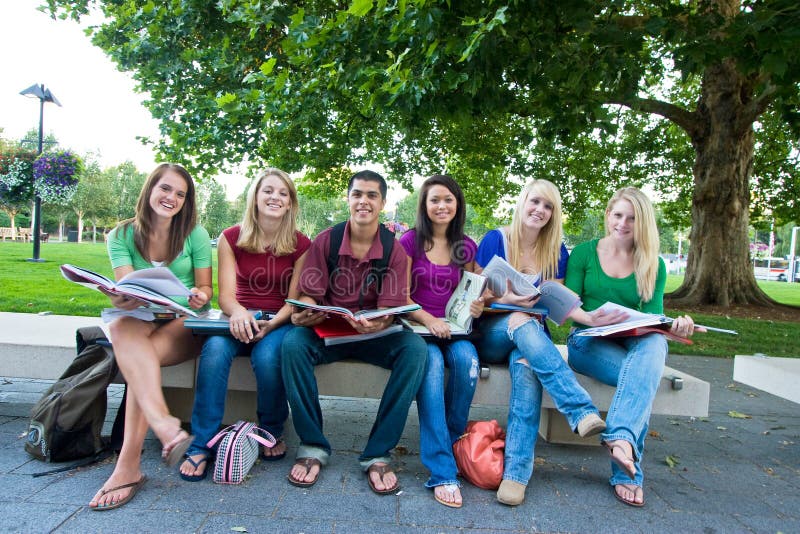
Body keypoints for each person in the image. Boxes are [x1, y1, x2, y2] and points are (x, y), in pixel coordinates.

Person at [475, 179, 620, 506]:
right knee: (519, 319)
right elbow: (478, 296)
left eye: (548, 206)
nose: (540, 210)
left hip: (532, 337)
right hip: (492, 332)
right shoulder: (496, 239)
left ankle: (515, 476)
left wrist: (588, 318)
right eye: (535, 202)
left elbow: (556, 301)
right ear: (523, 202)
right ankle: (579, 409)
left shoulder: (556, 251)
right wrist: (508, 298)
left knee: (527, 365)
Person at [281, 170, 427, 494]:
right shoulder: (327, 240)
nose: (364, 201)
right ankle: (312, 446)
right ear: (348, 199)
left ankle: (377, 453)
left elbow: (390, 307)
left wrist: (381, 322)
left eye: (372, 195)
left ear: (382, 203)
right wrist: (305, 312)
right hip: (328, 330)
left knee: (416, 350)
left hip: (374, 334)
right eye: (357, 194)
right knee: (292, 344)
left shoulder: (394, 251)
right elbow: (309, 293)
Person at [565, 186, 700, 507]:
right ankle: (627, 471)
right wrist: (590, 318)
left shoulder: (653, 264)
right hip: (586, 342)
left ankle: (622, 441)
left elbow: (652, 320)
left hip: (630, 344)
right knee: (643, 378)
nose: (622, 223)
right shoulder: (583, 254)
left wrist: (675, 327)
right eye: (618, 215)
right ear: (608, 215)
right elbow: (567, 307)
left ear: (643, 222)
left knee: (655, 342)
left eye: (632, 218)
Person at [90, 163, 212, 510]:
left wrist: (200, 295)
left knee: (139, 362)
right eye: (165, 189)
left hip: (182, 321)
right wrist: (119, 298)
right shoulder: (121, 235)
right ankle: (163, 424)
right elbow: (127, 287)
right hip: (140, 317)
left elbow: (206, 288)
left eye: (180, 194)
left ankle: (128, 465)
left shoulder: (195, 234)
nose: (171, 198)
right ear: (150, 190)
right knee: (121, 327)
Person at [179, 169, 311, 481]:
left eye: (283, 193)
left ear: (290, 203)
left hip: (279, 319)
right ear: (255, 197)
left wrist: (271, 324)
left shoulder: (302, 244)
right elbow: (225, 296)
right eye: (268, 191)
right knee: (214, 351)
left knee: (267, 357)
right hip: (237, 316)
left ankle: (271, 430)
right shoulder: (231, 237)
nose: (275, 197)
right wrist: (240, 314)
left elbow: (294, 301)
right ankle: (201, 442)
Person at [399, 175, 482, 508]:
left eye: (448, 199)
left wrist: (480, 304)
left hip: (455, 331)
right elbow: (400, 296)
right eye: (434, 199)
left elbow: (478, 290)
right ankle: (442, 471)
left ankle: (449, 444)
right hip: (418, 328)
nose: (442, 205)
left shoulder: (466, 246)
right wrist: (429, 320)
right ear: (424, 204)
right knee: (431, 364)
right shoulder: (410, 242)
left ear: (457, 204)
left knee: (467, 360)